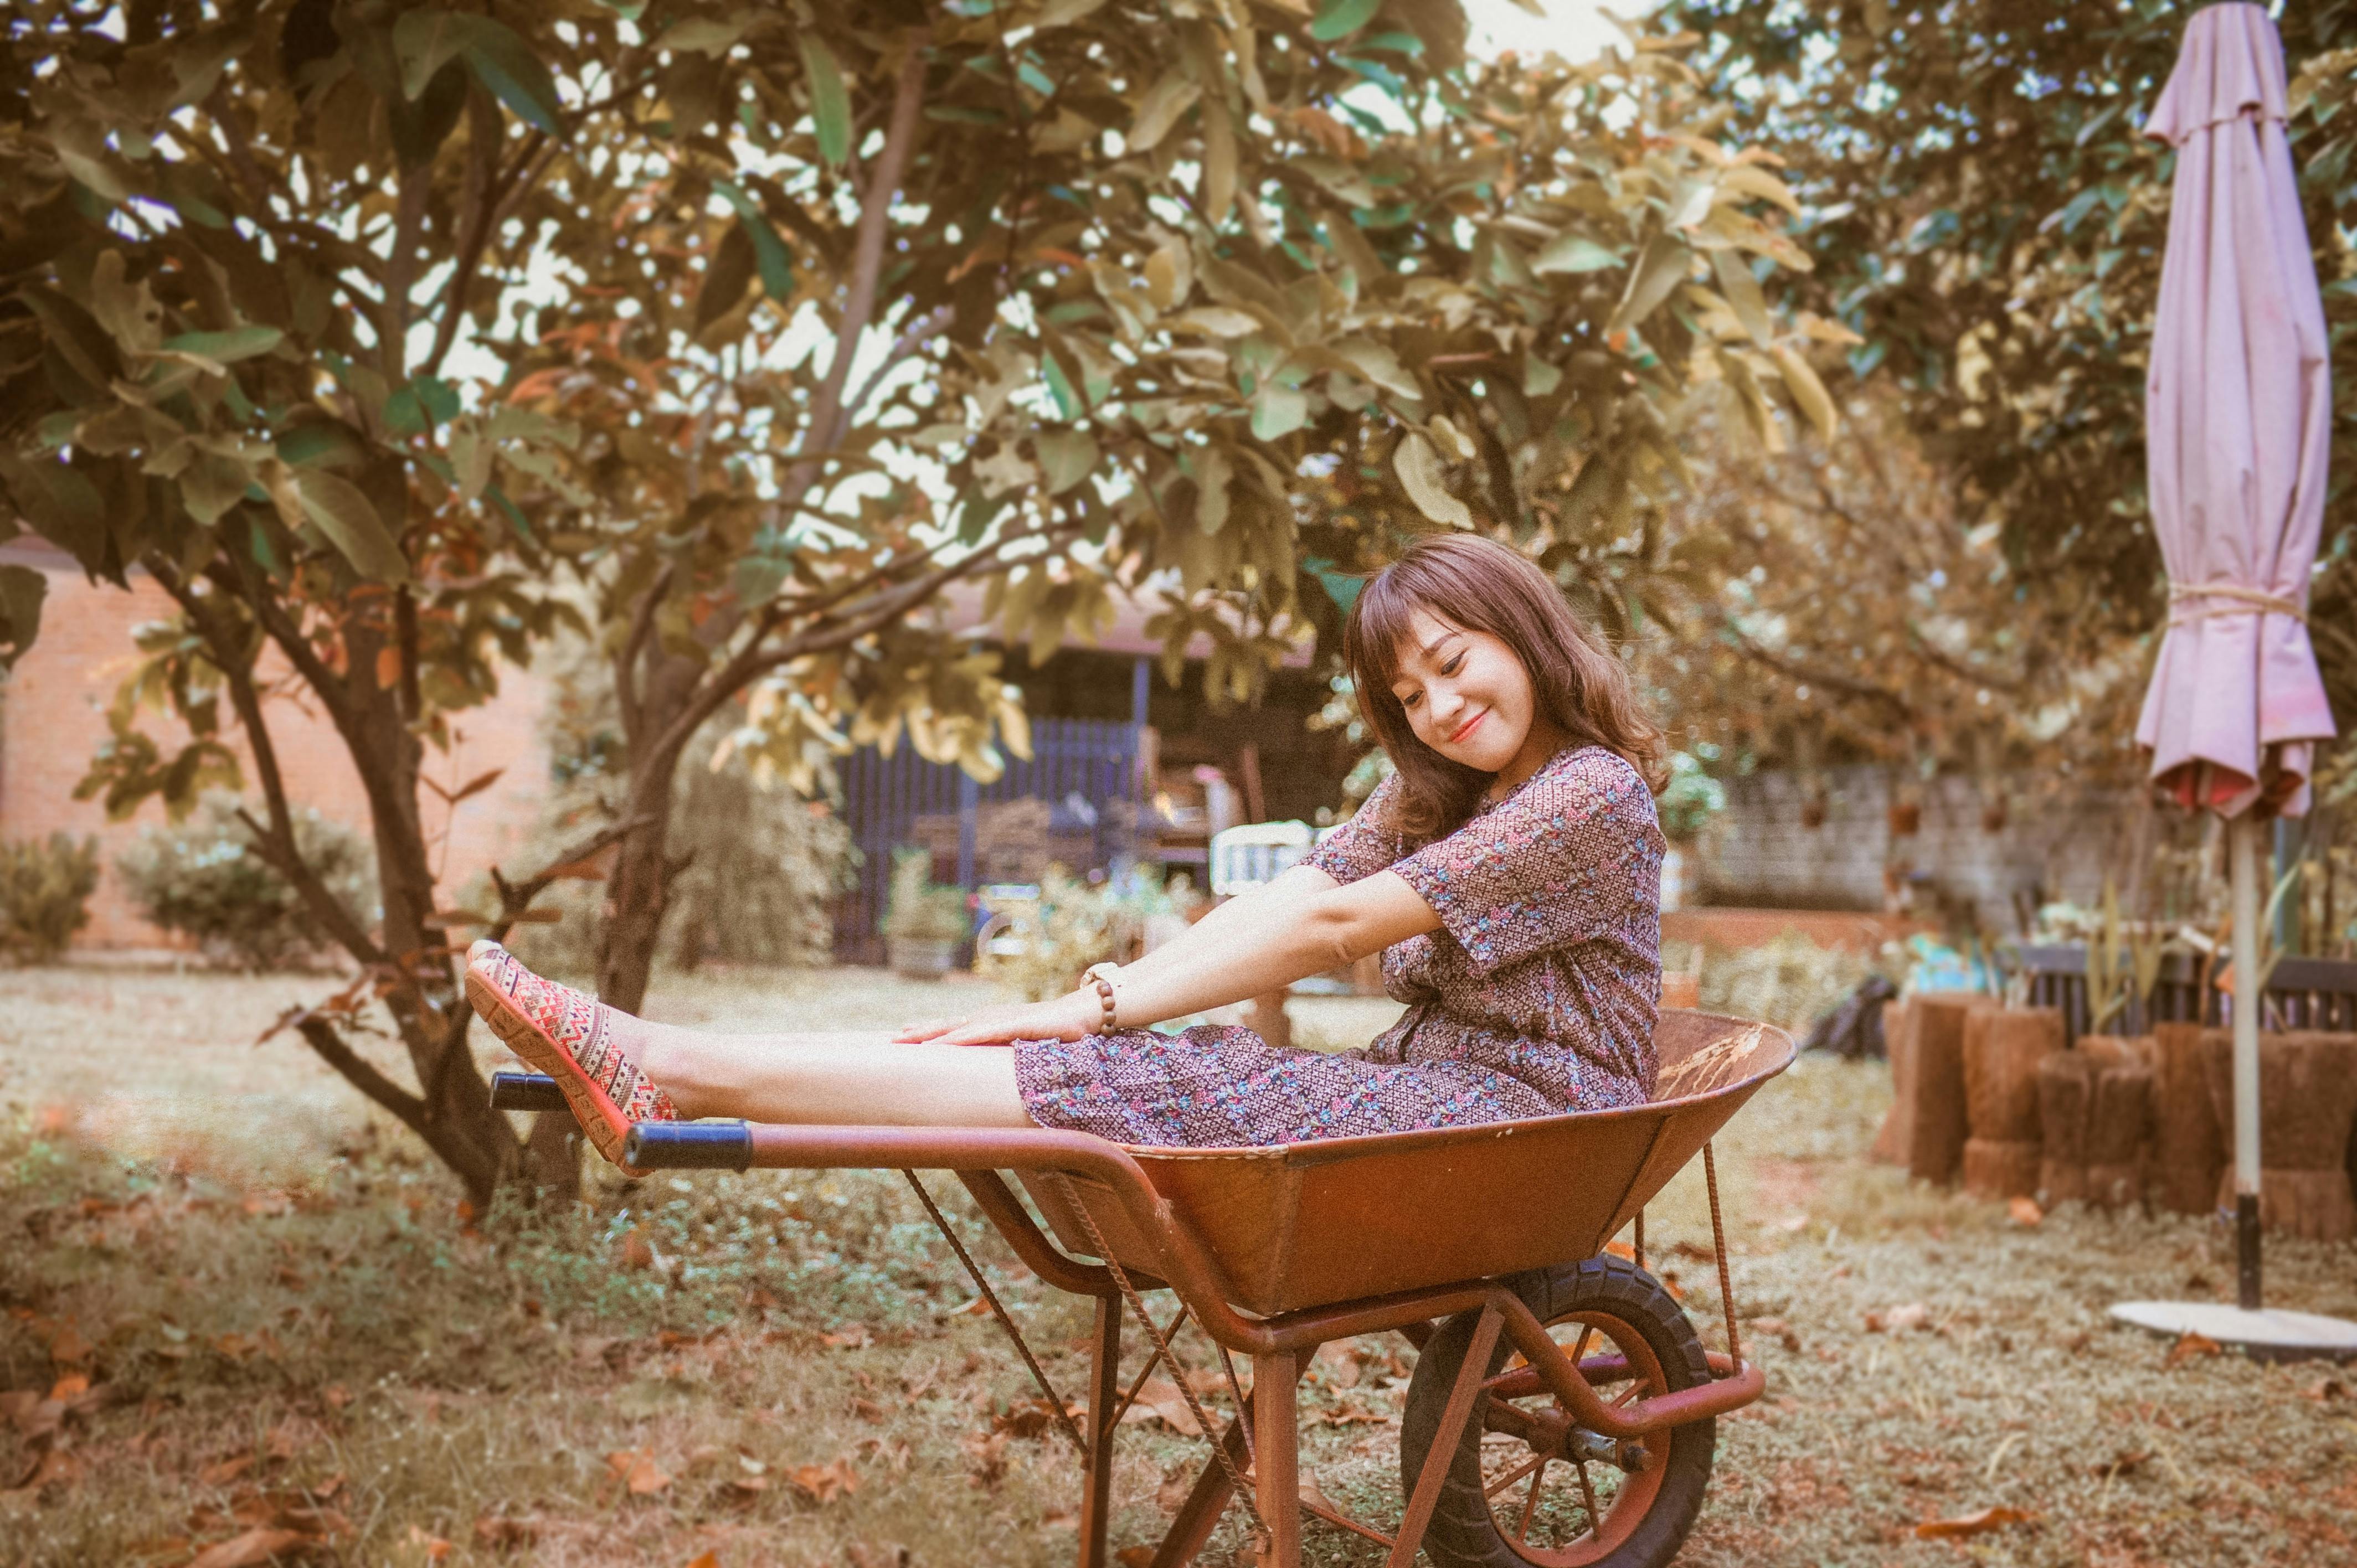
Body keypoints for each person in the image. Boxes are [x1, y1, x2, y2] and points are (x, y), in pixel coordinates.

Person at [466, 534, 1670, 1162]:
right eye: (1408, 695)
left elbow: (1335, 930)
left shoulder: (1588, 797)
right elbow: (1294, 895)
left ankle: (669, 1065)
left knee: (1154, 1075)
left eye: (1454, 663)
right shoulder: (1446, 797)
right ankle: (679, 1064)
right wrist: (1097, 999)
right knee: (1172, 1066)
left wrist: (1092, 1015)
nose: (1437, 707)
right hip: (1450, 1102)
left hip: (1528, 1127)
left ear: (1525, 635)